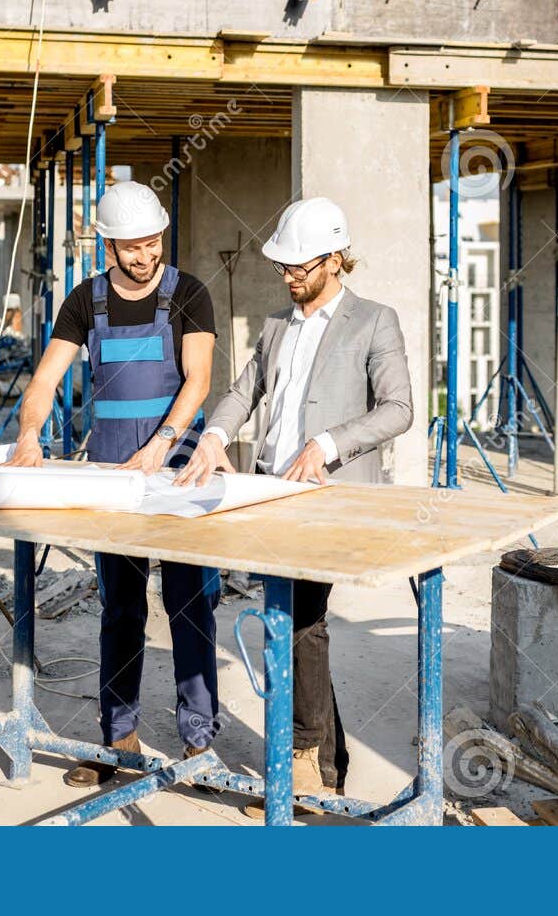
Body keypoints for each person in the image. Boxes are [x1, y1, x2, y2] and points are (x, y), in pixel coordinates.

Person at [175, 196, 413, 802]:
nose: (287, 277)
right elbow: (242, 389)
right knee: (293, 619)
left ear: (335, 259)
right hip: (270, 495)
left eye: (299, 267)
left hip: (328, 500)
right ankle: (327, 764)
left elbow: (398, 409)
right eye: (282, 267)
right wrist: (215, 435)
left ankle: (303, 758)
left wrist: (328, 443)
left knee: (300, 620)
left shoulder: (375, 320)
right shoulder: (277, 324)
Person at [7, 180, 220, 786]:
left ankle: (199, 743)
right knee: (121, 609)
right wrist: (29, 435)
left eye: (153, 244)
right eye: (131, 248)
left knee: (190, 606)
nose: (145, 256)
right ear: (108, 246)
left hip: (178, 471)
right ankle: (117, 738)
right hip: (110, 476)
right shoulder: (85, 302)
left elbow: (198, 380)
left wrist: (161, 445)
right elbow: (45, 381)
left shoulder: (189, 294)